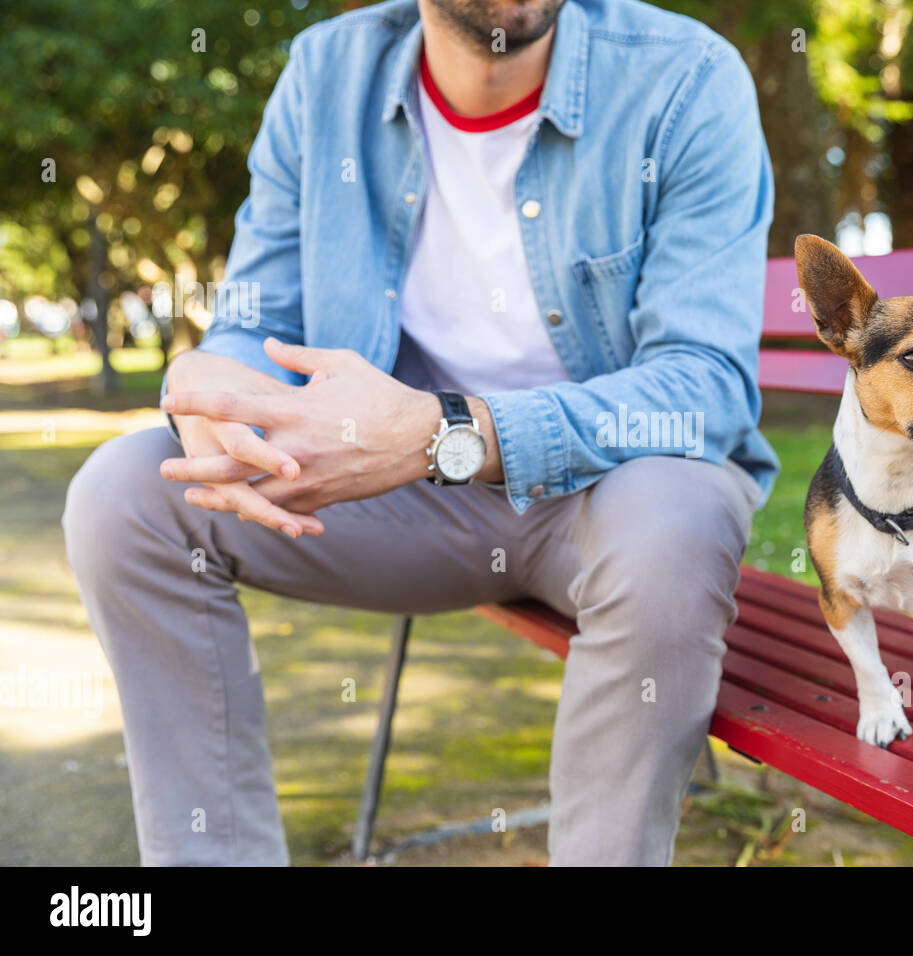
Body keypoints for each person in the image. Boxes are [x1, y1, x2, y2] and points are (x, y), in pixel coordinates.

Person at [63, 0, 776, 866]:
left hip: (607, 498)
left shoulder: (685, 79)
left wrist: (445, 432)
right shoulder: (324, 76)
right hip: (399, 493)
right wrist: (212, 386)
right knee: (124, 496)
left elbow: (704, 388)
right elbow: (258, 315)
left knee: (674, 519)